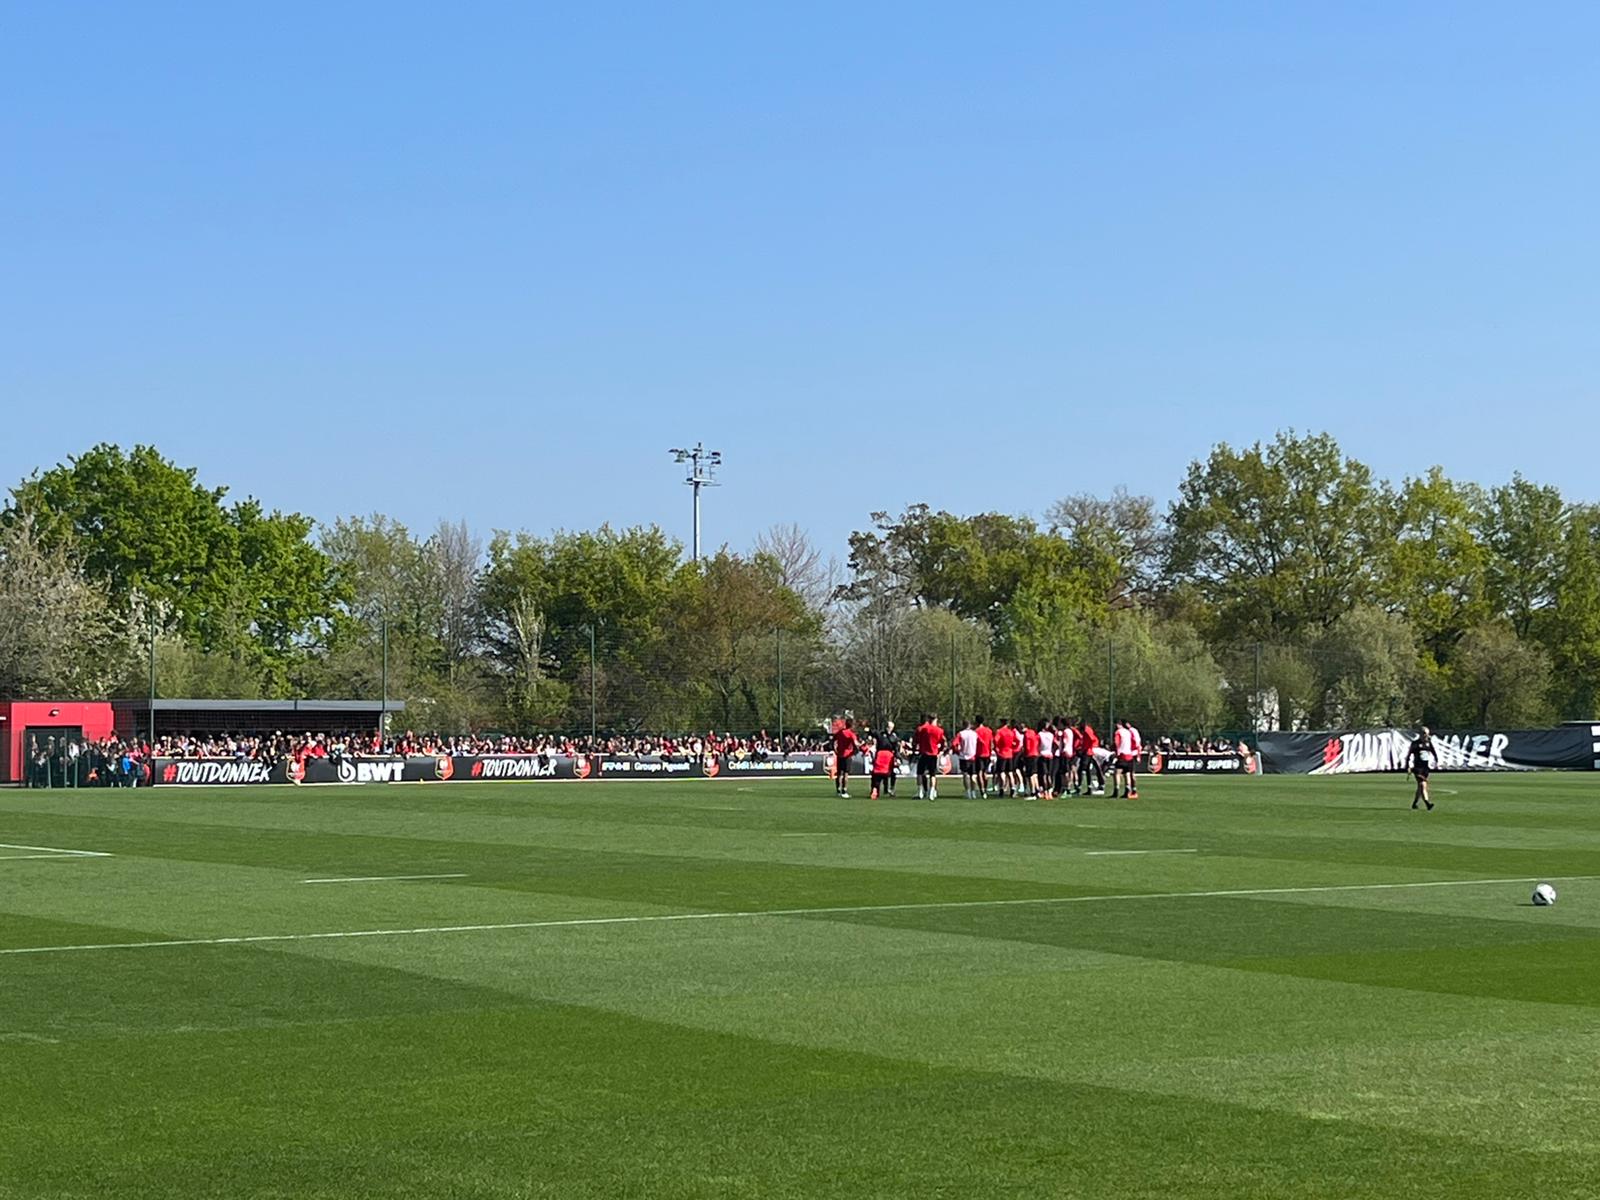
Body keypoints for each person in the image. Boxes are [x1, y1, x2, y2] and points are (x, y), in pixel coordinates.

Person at [914, 713, 946, 800]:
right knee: (932, 774)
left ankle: (920, 791)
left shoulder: (923, 729)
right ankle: (932, 791)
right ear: (936, 719)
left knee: (920, 773)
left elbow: (917, 740)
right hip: (933, 754)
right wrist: (939, 750)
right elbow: (943, 742)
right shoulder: (939, 730)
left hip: (924, 753)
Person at [1111, 719, 1143, 798]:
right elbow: (1134, 742)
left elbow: (1116, 743)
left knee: (1116, 773)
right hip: (1130, 755)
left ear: (1119, 724)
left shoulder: (1118, 732)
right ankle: (1127, 791)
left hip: (1122, 755)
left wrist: (1116, 752)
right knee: (1127, 774)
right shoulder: (1128, 732)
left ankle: (1116, 791)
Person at [1408, 726, 1436, 810]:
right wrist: (1408, 766)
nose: (1426, 736)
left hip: (1425, 768)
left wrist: (1436, 761)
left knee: (1421, 787)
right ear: (1420, 734)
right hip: (1417, 768)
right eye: (1424, 734)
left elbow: (1434, 752)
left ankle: (1415, 803)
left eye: (1427, 734)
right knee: (1422, 785)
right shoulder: (1415, 743)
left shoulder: (1429, 743)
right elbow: (1408, 755)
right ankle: (1428, 804)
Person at [832, 718, 859, 798]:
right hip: (847, 755)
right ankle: (844, 790)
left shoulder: (840, 732)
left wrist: (835, 750)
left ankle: (838, 790)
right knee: (846, 774)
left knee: (839, 774)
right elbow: (856, 744)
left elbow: (833, 741)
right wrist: (856, 750)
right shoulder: (851, 734)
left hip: (839, 755)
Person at [1078, 720, 1104, 795]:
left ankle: (1079, 787)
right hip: (1087, 751)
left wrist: (1089, 747)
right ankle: (1089, 788)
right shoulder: (1087, 730)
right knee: (1087, 770)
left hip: (1088, 752)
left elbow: (1092, 739)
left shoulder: (1087, 730)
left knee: (1082, 769)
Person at [956, 719, 980, 798]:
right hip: (973, 756)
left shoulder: (961, 734)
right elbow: (980, 743)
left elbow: (954, 744)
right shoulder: (975, 734)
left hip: (964, 757)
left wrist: (957, 751)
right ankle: (973, 792)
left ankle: (968, 792)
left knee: (965, 775)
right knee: (973, 775)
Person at [869, 735, 896, 800]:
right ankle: (888, 789)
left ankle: (875, 790)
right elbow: (892, 764)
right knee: (890, 776)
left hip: (877, 771)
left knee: (876, 781)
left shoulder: (879, 752)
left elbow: (874, 761)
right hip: (885, 772)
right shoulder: (890, 754)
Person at [973, 715, 994, 798]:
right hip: (987, 754)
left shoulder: (976, 731)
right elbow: (992, 743)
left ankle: (982, 790)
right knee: (985, 772)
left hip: (979, 754)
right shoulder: (989, 730)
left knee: (979, 772)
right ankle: (985, 788)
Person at [1037, 720, 1056, 799]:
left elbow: (1037, 744)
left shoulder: (1039, 734)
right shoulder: (1051, 735)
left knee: (1044, 775)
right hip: (1050, 755)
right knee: (1048, 775)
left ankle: (1045, 792)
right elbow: (1055, 744)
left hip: (1042, 755)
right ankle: (1050, 792)